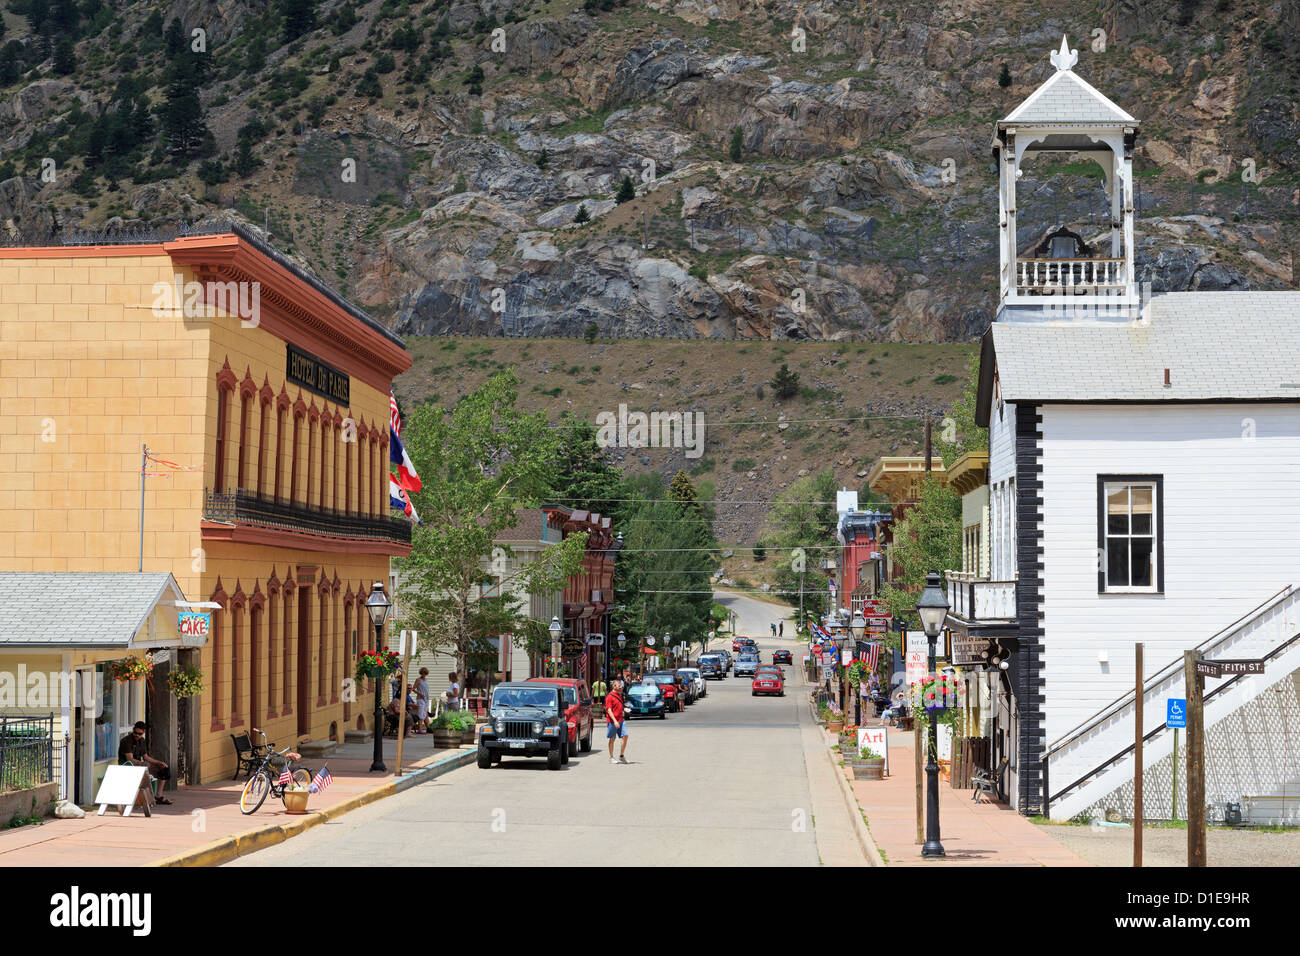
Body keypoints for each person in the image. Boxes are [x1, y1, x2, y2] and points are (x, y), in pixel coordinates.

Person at [118, 721, 173, 805]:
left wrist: (159, 763)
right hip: (127, 766)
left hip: (138, 765)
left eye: (140, 734)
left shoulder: (142, 740)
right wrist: (143, 764)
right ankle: (147, 798)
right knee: (146, 767)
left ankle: (158, 796)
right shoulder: (126, 741)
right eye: (135, 733)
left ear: (143, 732)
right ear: (133, 730)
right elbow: (130, 759)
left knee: (164, 769)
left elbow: (146, 757)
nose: (137, 735)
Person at [605, 679, 628, 764]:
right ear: (614, 687)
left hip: (621, 720)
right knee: (612, 739)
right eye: (619, 685)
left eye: (621, 686)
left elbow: (618, 706)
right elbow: (609, 710)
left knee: (625, 736)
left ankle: (621, 756)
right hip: (612, 721)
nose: (621, 687)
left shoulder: (619, 695)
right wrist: (614, 721)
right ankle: (611, 757)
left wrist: (624, 709)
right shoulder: (609, 697)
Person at [413, 668, 430, 733]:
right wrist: (420, 694)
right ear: (421, 673)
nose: (424, 674)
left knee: (424, 713)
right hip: (420, 699)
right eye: (423, 673)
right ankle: (420, 729)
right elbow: (413, 689)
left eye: (425, 673)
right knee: (420, 714)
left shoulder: (426, 680)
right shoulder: (418, 680)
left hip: (426, 699)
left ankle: (425, 728)